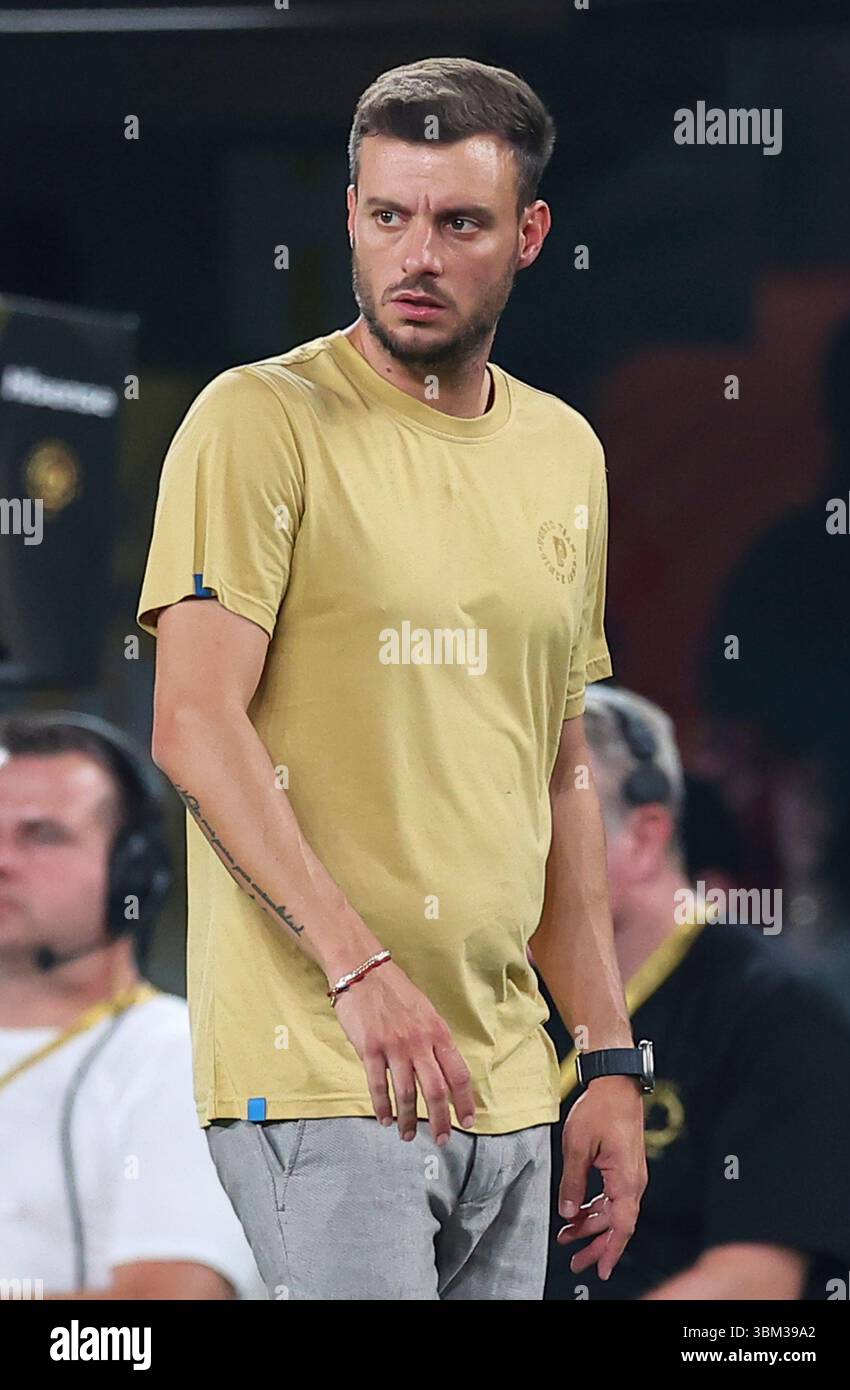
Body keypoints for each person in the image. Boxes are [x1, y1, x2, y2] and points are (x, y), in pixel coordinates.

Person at [136, 56, 649, 1301]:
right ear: (353, 218)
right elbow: (195, 725)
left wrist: (608, 1058)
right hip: (326, 1065)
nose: (415, 253)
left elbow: (559, 764)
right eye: (387, 216)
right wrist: (362, 974)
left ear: (527, 235)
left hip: (509, 1081)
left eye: (458, 222)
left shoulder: (563, 450)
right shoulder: (256, 421)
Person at [541, 684, 850, 1300]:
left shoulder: (782, 1020)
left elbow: (755, 1284)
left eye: (540, 826)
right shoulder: (502, 998)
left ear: (642, 837)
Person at [0, 711, 263, 1299]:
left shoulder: (181, 1057)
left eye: (40, 835)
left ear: (132, 873)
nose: (3, 861)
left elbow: (160, 1308)